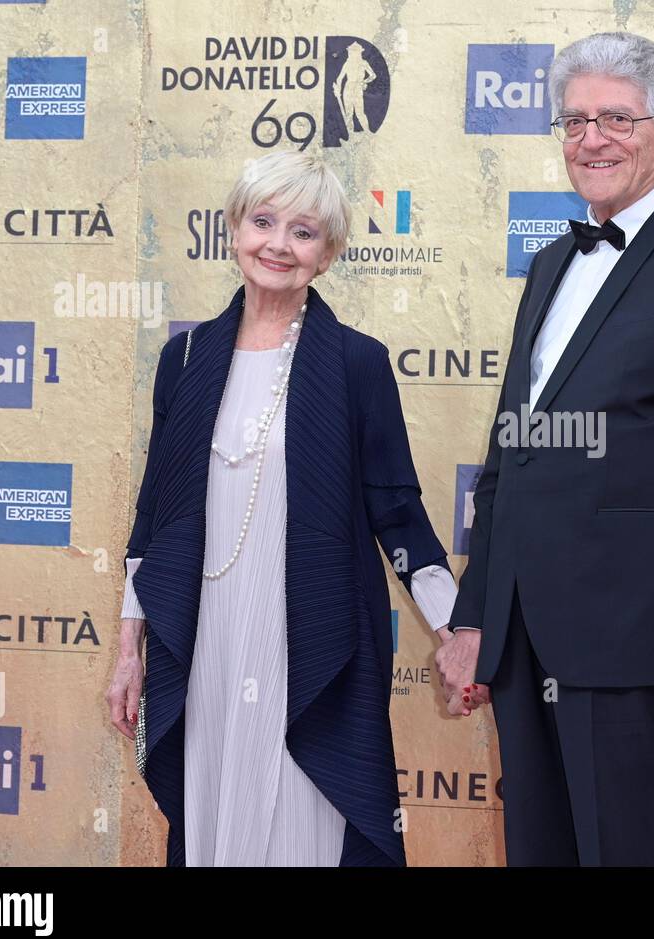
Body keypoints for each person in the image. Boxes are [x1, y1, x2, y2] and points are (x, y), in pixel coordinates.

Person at [435, 31, 654, 866]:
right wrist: (477, 613)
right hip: (526, 641)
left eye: (616, 120)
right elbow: (510, 456)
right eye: (575, 122)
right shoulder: (553, 262)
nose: (590, 139)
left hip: (633, 641)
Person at [105, 149, 457, 866]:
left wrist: (454, 630)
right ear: (234, 229)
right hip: (206, 634)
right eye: (263, 221)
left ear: (326, 255)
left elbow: (397, 511)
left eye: (303, 232)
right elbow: (153, 517)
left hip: (311, 635)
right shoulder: (186, 357)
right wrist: (128, 649)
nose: (278, 244)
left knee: (307, 815)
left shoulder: (358, 363)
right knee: (213, 806)